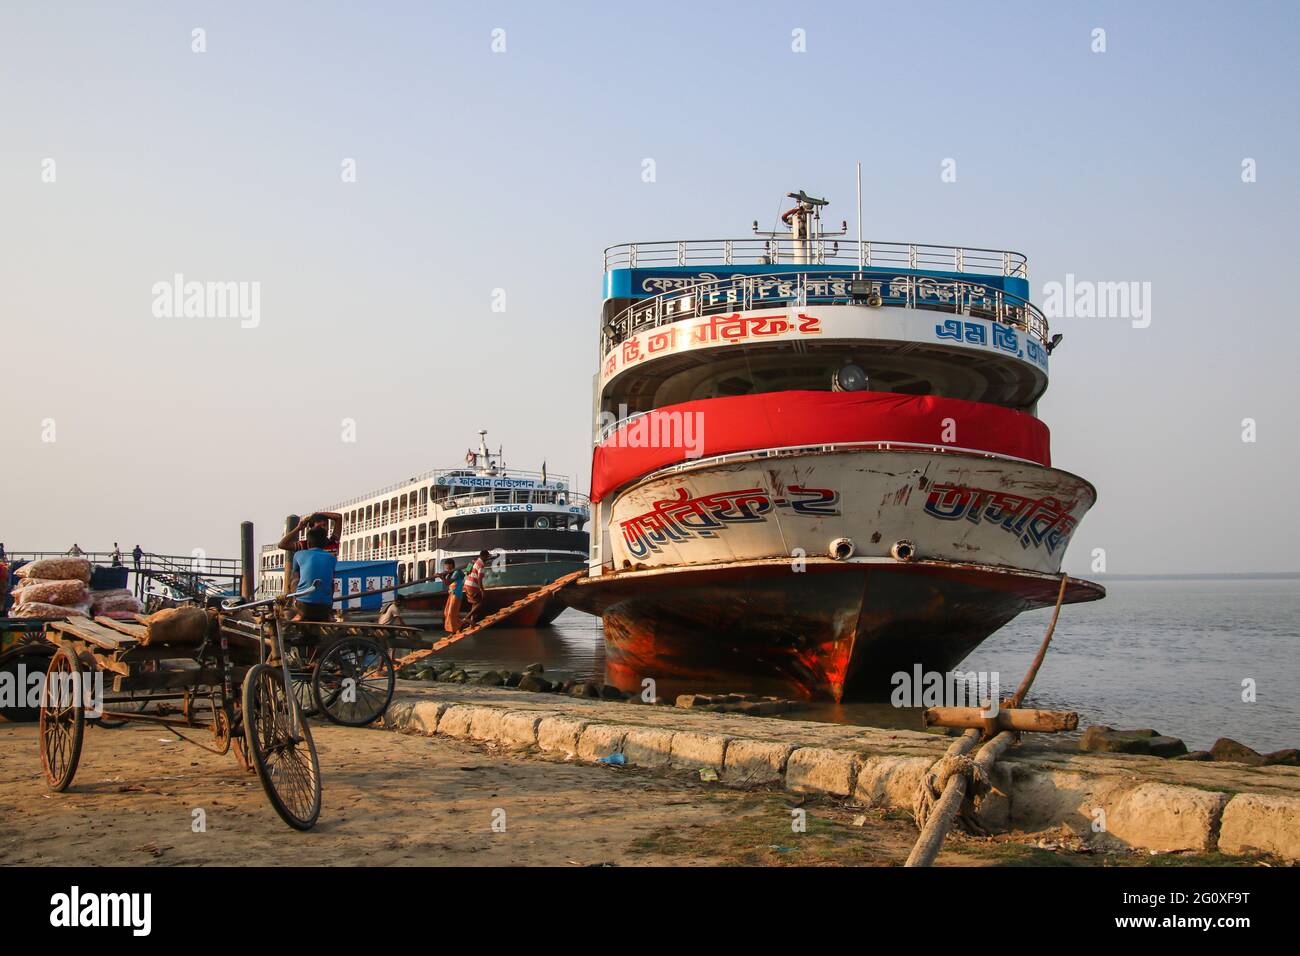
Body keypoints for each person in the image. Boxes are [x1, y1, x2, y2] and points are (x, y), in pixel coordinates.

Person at [288, 526, 337, 623]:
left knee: (294, 577)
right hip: (325, 608)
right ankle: (328, 615)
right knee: (331, 582)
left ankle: (298, 613)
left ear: (309, 543)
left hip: (303, 607)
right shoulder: (332, 558)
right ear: (325, 544)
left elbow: (294, 578)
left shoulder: (298, 554)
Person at [439, 558, 466, 634]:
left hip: (456, 594)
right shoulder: (451, 572)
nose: (446, 567)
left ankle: (454, 630)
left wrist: (441, 577)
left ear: (451, 565)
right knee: (446, 612)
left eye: (446, 565)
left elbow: (448, 582)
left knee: (451, 613)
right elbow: (447, 582)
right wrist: (443, 576)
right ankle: (460, 624)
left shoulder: (457, 572)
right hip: (452, 593)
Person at [463, 549, 491, 623]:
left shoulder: (474, 562)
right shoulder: (481, 565)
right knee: (480, 603)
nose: (487, 559)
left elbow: (466, 572)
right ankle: (467, 617)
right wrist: (482, 590)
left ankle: (472, 621)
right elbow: (479, 580)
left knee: (474, 603)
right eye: (487, 557)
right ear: (484, 556)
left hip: (467, 584)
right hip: (472, 586)